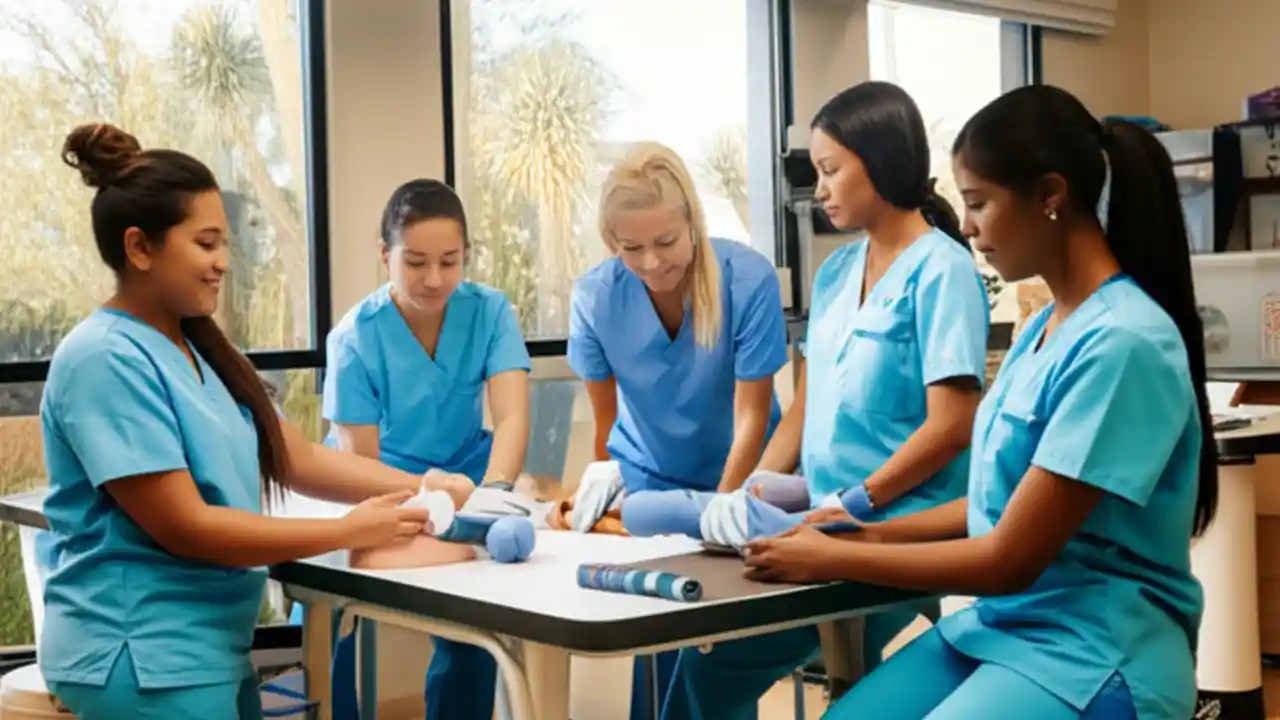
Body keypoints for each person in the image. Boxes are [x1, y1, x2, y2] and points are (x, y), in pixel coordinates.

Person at [745, 85, 1218, 720]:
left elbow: (1009, 558)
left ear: (1050, 195)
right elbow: (1001, 502)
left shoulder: (1124, 344)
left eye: (979, 204)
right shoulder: (1046, 329)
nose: (965, 226)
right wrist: (869, 531)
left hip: (1094, 649)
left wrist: (832, 554)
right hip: (1002, 628)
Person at [38, 123, 470, 720]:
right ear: (140, 248)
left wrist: (421, 487)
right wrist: (349, 531)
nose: (222, 263)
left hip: (205, 647)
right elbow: (188, 527)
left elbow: (295, 458)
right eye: (206, 243)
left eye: (224, 245)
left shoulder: (202, 349)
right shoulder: (103, 358)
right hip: (140, 652)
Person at [647, 81, 990, 720]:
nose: (820, 188)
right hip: (823, 521)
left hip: (903, 530)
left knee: (732, 664)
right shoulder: (835, 274)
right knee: (704, 653)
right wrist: (749, 490)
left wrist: (858, 502)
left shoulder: (943, 270)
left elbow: (951, 426)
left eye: (831, 170)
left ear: (881, 160)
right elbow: (804, 408)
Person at [567, 141, 789, 720]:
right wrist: (603, 473)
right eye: (630, 248)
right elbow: (607, 420)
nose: (651, 263)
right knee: (659, 637)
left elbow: (751, 418)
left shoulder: (747, 280)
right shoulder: (595, 297)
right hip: (651, 483)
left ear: (692, 221)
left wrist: (724, 506)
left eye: (666, 242)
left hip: (745, 479)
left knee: (719, 646)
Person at [320, 178, 532, 720]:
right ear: (383, 254)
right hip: (377, 483)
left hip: (467, 477)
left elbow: (510, 417)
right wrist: (426, 499)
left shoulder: (489, 312)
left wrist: (495, 494)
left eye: (449, 261)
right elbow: (359, 464)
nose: (434, 279)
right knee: (337, 616)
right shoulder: (354, 338)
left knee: (478, 617)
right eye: (415, 262)